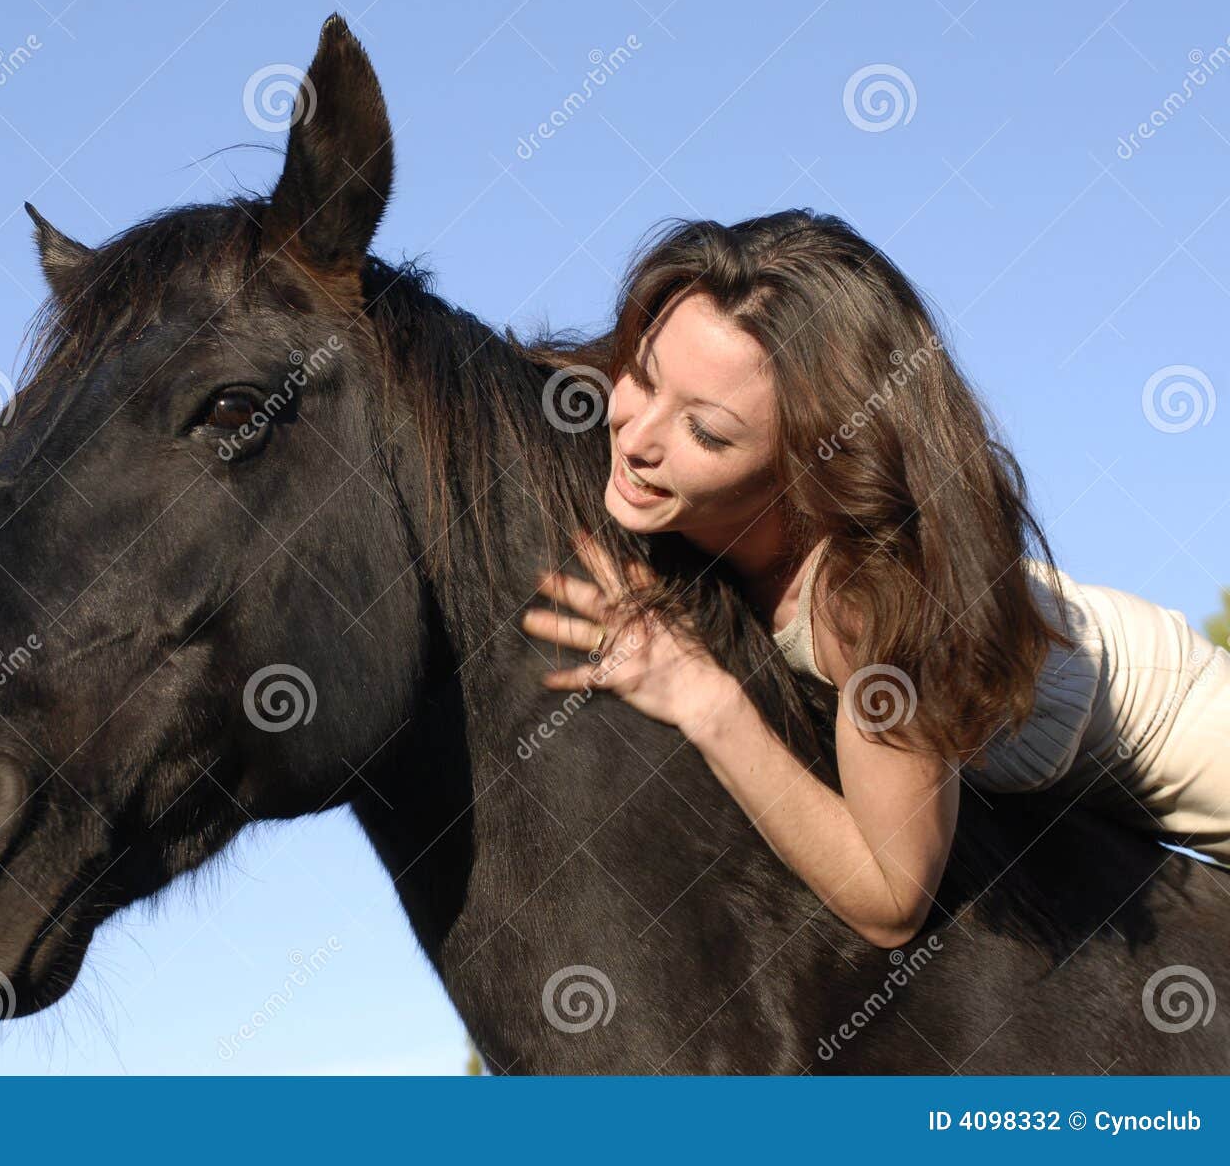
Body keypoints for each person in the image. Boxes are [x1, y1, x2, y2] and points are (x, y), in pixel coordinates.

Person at [520, 209, 1230, 948]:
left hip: (1157, 716)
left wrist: (704, 697)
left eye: (706, 431)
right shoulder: (622, 420)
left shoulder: (861, 600)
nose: (634, 439)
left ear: (806, 462)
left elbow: (894, 900)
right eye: (641, 373)